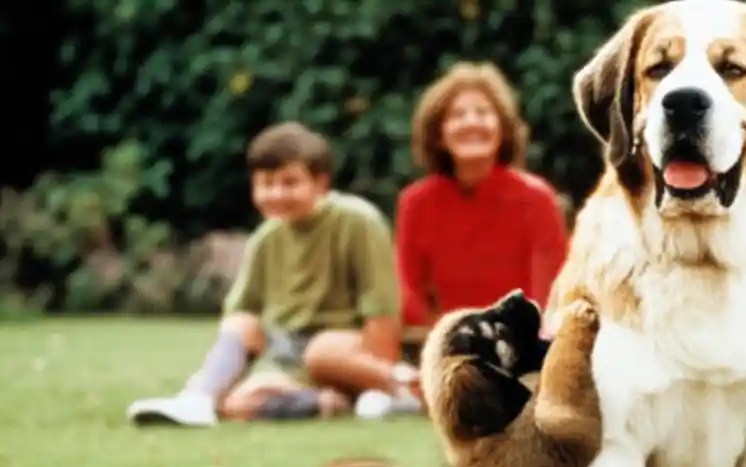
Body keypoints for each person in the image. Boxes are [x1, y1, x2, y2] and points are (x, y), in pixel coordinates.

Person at [126, 122, 422, 426]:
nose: (277, 194)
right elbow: (242, 312)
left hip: (349, 351)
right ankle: (201, 397)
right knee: (236, 401)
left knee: (322, 351)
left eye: (290, 183)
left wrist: (376, 372)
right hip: (292, 355)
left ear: (320, 183)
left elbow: (382, 309)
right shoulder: (265, 238)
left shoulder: (358, 221)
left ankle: (406, 389)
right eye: (266, 184)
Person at [394, 61, 568, 352]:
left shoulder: (538, 199)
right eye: (457, 115)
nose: (471, 122)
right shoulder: (415, 202)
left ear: (503, 130)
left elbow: (550, 295)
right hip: (446, 347)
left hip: (524, 347)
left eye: (483, 113)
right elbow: (407, 292)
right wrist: (448, 339)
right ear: (438, 135)